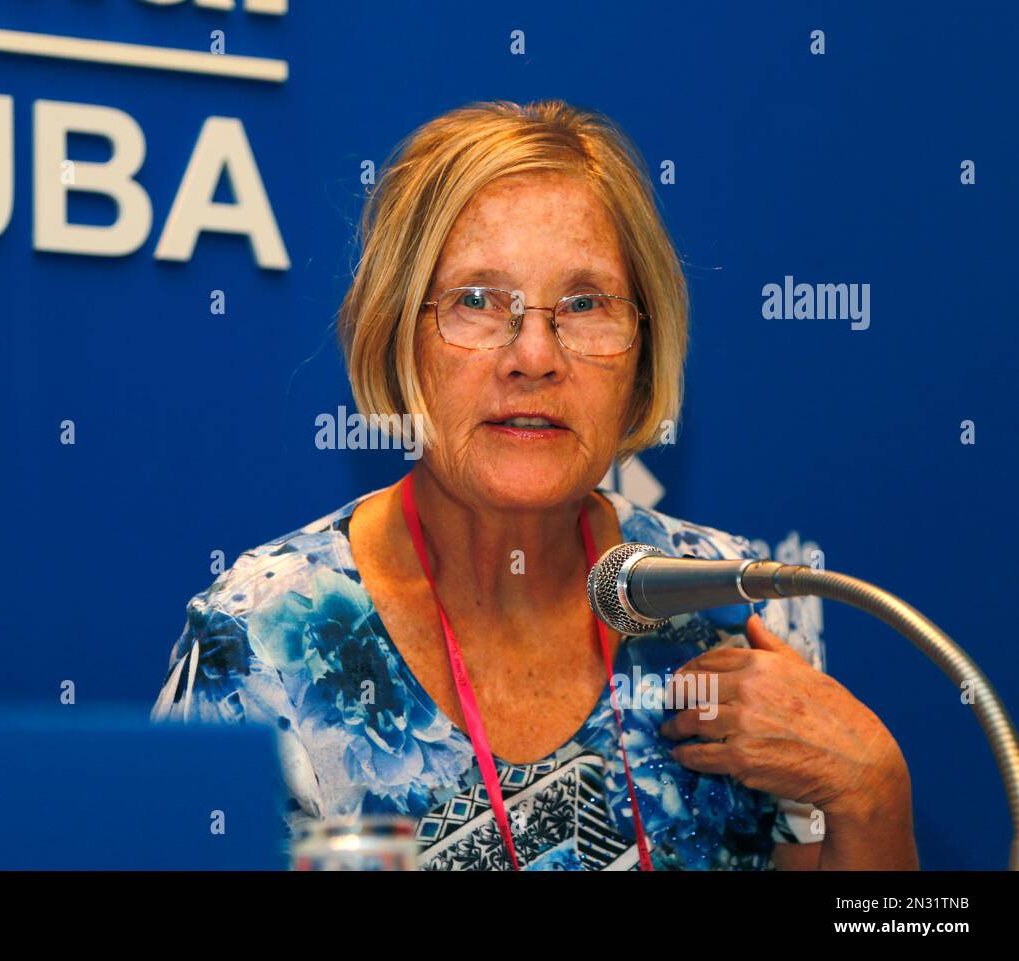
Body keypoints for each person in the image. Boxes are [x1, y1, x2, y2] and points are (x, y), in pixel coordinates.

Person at [151, 100, 917, 871]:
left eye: (585, 303)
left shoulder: (732, 602)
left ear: (643, 347)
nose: (536, 355)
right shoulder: (267, 640)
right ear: (397, 336)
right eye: (477, 301)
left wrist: (872, 789)